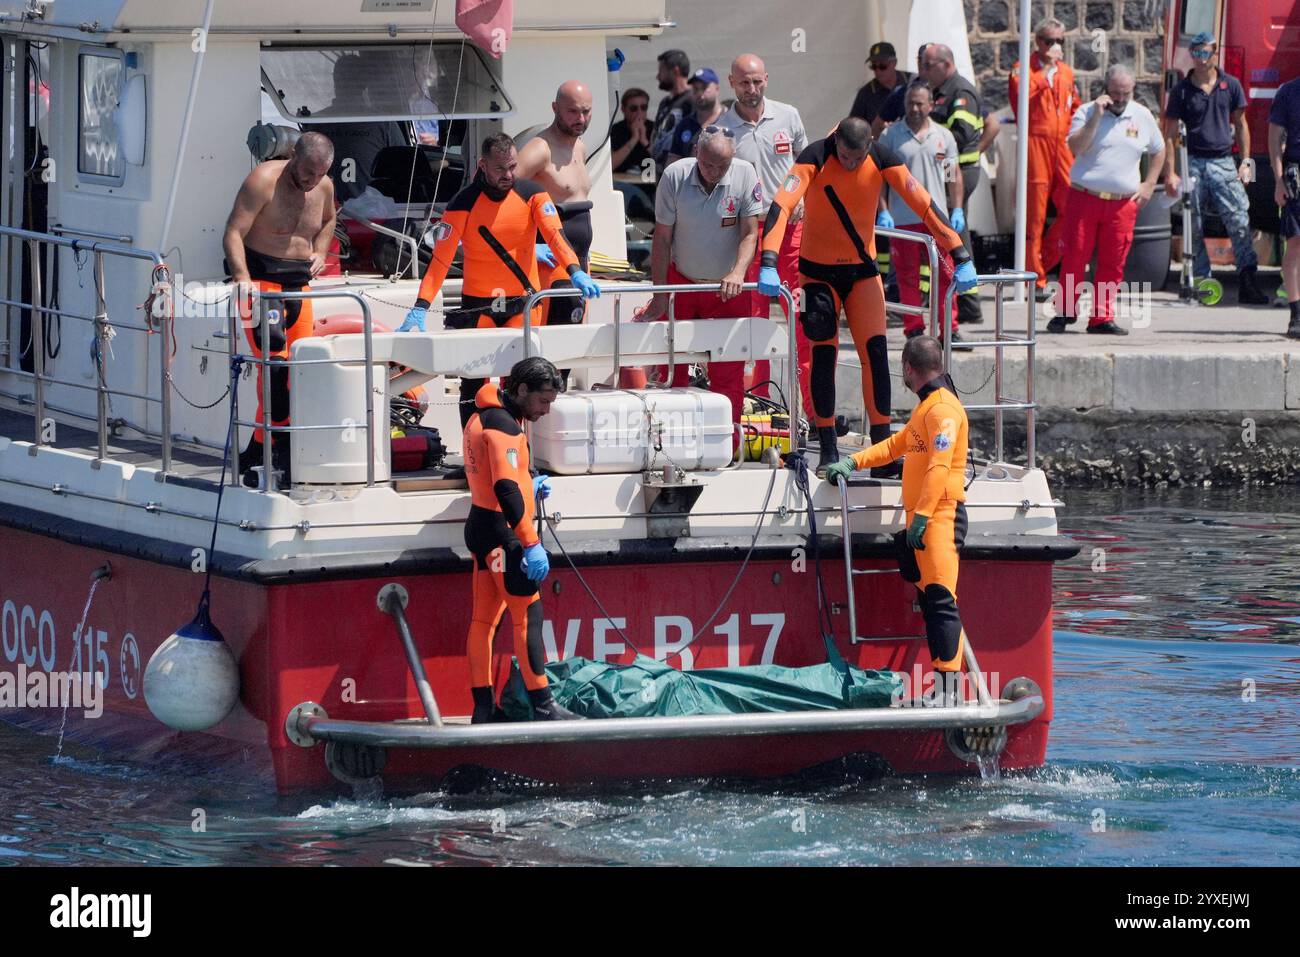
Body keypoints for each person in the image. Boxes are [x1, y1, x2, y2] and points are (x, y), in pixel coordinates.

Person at [758, 116, 975, 474]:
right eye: (844, 156)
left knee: (875, 356)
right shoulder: (814, 156)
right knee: (823, 354)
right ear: (836, 143)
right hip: (816, 277)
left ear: (869, 146)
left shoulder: (883, 157)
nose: (850, 163)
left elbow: (921, 202)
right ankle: (827, 448)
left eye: (857, 158)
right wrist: (769, 260)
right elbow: (781, 205)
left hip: (862, 274)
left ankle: (882, 454)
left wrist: (959, 253)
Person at [399, 132, 600, 426]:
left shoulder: (532, 194)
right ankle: (473, 453)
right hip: (478, 307)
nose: (508, 175)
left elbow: (555, 236)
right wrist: (421, 305)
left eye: (513, 167)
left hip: (523, 305)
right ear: (482, 165)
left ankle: (517, 455)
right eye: (500, 169)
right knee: (473, 386)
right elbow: (440, 261)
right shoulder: (462, 204)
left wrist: (574, 270)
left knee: (520, 385)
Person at [824, 335, 970, 704]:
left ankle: (950, 690)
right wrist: (852, 462)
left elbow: (939, 466)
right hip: (925, 519)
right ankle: (943, 685)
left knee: (940, 600)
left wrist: (921, 518)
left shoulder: (942, 411)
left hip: (940, 516)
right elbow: (895, 446)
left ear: (908, 368)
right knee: (930, 601)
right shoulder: (927, 411)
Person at [463, 356, 579, 722]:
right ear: (522, 390)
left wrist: (531, 483)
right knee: (528, 616)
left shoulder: (482, 414)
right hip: (505, 534)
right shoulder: (506, 428)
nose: (546, 410)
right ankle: (544, 706)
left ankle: (483, 709)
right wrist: (529, 542)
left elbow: (498, 477)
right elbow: (506, 485)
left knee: (483, 622)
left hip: (481, 527)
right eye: (543, 401)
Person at [633, 127, 764, 437]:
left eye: (723, 166)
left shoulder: (745, 175)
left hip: (727, 289)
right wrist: (661, 294)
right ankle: (668, 439)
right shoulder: (674, 176)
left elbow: (750, 233)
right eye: (708, 165)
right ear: (696, 155)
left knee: (728, 372)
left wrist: (737, 272)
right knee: (670, 368)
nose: (715, 172)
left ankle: (728, 442)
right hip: (682, 282)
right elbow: (662, 239)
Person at [223, 131, 336, 486]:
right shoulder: (263, 181)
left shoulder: (325, 187)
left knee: (297, 373)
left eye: (318, 174)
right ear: (292, 156)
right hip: (261, 284)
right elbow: (232, 232)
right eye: (306, 172)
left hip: (299, 287)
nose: (310, 181)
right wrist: (242, 278)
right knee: (274, 373)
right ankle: (278, 453)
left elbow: (331, 219)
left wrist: (320, 249)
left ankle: (258, 451)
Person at [716, 52, 810, 415]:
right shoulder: (723, 129)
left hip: (791, 229)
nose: (751, 89)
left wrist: (801, 195)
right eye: (744, 82)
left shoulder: (788, 115)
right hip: (751, 234)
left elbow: (807, 164)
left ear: (766, 79)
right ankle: (759, 405)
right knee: (754, 324)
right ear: (731, 83)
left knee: (803, 321)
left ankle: (815, 414)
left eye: (756, 81)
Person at [1051, 65, 1165, 335]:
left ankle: (1101, 317)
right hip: (1084, 197)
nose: (1121, 99)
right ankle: (1065, 311)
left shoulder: (1142, 115)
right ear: (1105, 91)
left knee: (1113, 262)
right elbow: (1076, 147)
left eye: (1127, 93)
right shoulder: (1087, 112)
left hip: (1122, 203)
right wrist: (1096, 117)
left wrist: (1149, 184)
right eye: (1116, 94)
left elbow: (1159, 150)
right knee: (1074, 257)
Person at [1162, 31, 1269, 305]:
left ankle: (1248, 278)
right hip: (1193, 162)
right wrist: (1171, 172)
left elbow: (1242, 124)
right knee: (1193, 224)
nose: (1199, 58)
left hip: (1223, 161)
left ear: (1214, 54)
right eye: (1195, 52)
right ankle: (1202, 281)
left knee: (1239, 221)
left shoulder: (1230, 85)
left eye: (1204, 52)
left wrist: (1246, 163)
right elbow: (1170, 133)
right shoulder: (1182, 90)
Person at [878, 80, 966, 345]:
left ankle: (948, 330)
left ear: (931, 105)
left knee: (946, 275)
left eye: (919, 103)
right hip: (903, 220)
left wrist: (957, 207)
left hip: (936, 220)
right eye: (910, 103)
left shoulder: (943, 136)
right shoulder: (890, 136)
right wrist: (884, 211)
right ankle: (914, 330)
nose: (914, 108)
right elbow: (879, 178)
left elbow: (953, 175)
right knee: (907, 277)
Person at [517, 81, 596, 332]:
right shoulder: (540, 150)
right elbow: (500, 192)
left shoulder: (580, 147)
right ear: (555, 108)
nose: (580, 118)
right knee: (548, 346)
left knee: (570, 344)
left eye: (586, 111)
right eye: (572, 111)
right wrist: (528, 246)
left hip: (579, 263)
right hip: (549, 267)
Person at [1009, 18, 1080, 299]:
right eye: (1049, 41)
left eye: (1059, 41)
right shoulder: (1022, 69)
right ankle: (1034, 277)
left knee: (1072, 205)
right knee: (1034, 214)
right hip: (1035, 142)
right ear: (1037, 42)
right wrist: (1045, 73)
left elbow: (1074, 106)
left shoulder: (1067, 73)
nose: (1054, 46)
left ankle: (1046, 260)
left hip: (1061, 143)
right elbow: (1021, 96)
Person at [921, 44, 986, 324]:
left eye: (928, 65)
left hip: (957, 169)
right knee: (956, 235)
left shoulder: (960, 92)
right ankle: (967, 300)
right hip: (949, 168)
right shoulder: (941, 91)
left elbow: (960, 134)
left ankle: (966, 301)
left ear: (945, 64)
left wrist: (929, 139)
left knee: (950, 233)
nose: (923, 71)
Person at [310, 53, 407, 203]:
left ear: (335, 81)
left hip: (324, 209)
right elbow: (405, 165)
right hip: (373, 214)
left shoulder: (315, 123)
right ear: (365, 83)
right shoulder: (383, 123)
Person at [1268, 75, 1300, 338]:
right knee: (1295, 245)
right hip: (1295, 176)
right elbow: (1275, 140)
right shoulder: (1288, 92)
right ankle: (1296, 316)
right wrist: (1279, 181)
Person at [610, 88, 657, 220]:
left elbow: (662, 162)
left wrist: (644, 141)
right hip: (624, 188)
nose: (639, 113)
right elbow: (611, 165)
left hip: (650, 188)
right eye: (634, 108)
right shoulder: (616, 130)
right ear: (623, 110)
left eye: (643, 108)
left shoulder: (654, 128)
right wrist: (633, 139)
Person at [667, 68, 725, 165]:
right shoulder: (685, 124)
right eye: (695, 89)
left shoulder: (730, 120)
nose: (699, 93)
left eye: (704, 88)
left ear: (717, 88)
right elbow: (673, 160)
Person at [850, 41, 914, 126]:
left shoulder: (912, 81)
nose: (877, 71)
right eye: (873, 66)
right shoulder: (865, 93)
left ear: (894, 63)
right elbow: (853, 128)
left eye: (882, 66)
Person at [651, 49, 693, 173]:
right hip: (661, 175)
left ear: (675, 71)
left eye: (661, 71)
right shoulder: (665, 102)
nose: (658, 76)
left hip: (681, 175)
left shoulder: (693, 100)